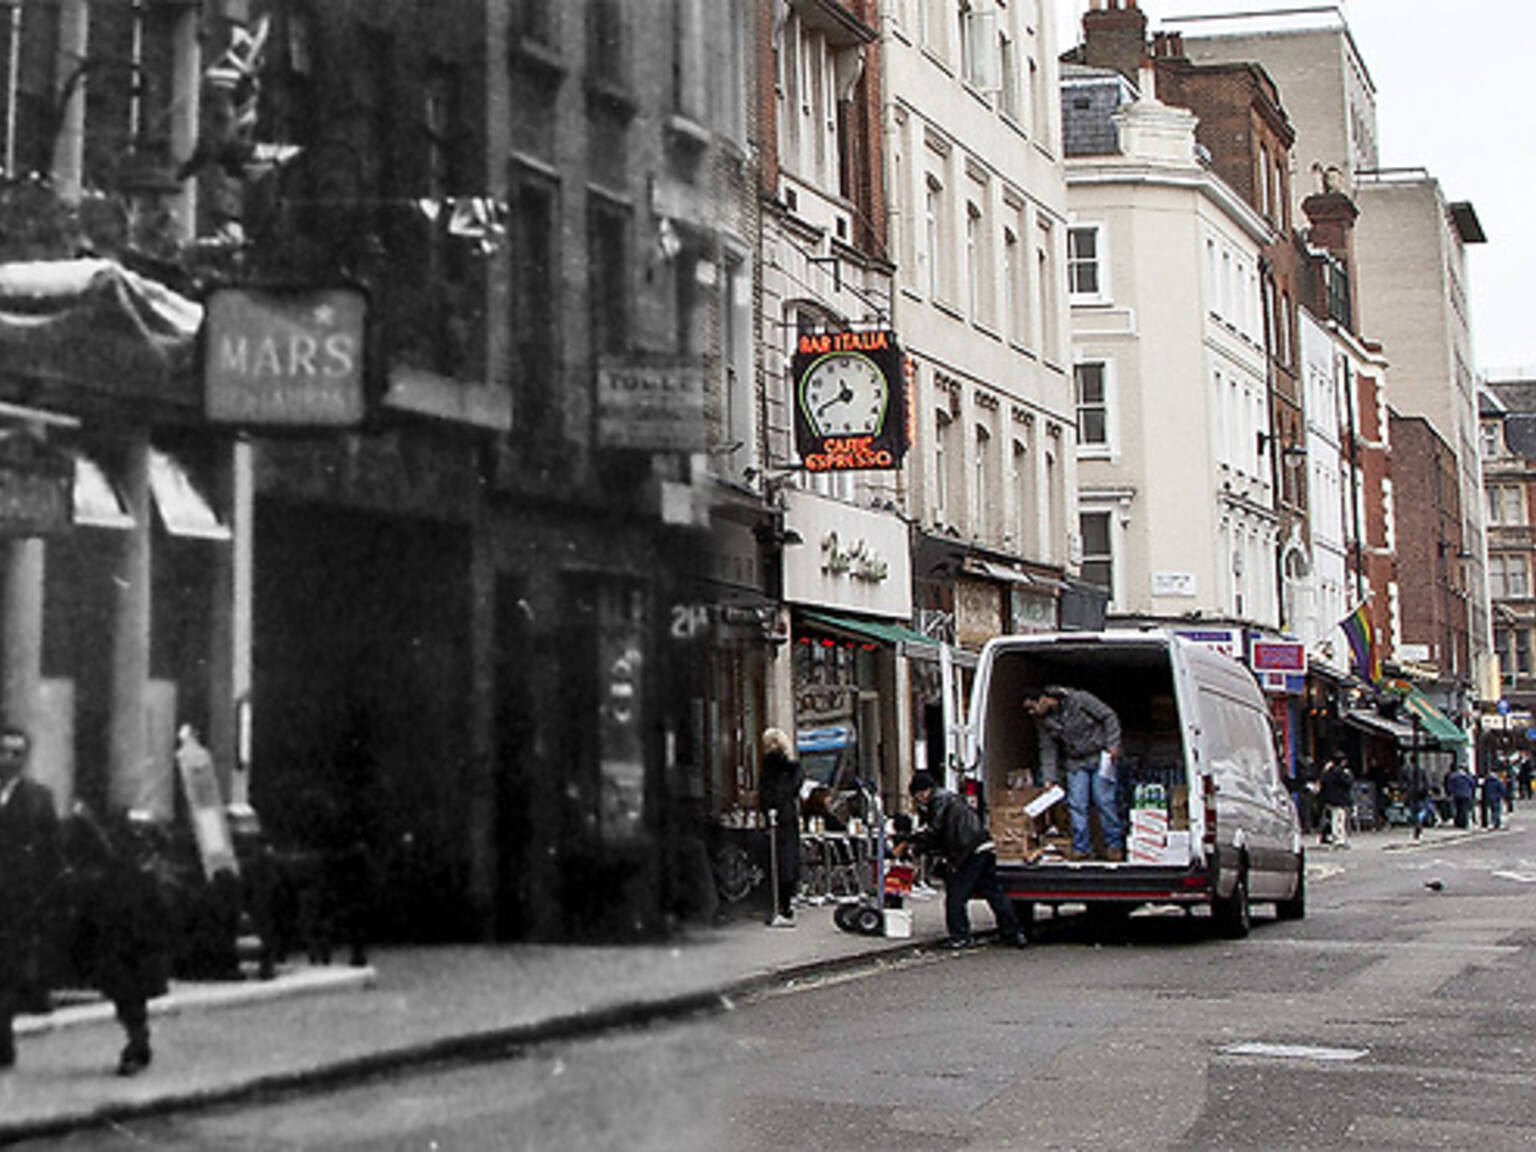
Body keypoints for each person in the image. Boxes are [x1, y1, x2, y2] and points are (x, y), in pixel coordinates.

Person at [61, 805, 170, 1076]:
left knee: (129, 997)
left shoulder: (134, 871)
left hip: (132, 941)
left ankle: (137, 1045)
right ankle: (138, 1043)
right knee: (128, 998)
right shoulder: (119, 869)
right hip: (122, 940)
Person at [902, 771, 1025, 949]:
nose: (919, 801)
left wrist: (910, 839)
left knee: (956, 898)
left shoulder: (939, 801)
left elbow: (936, 831)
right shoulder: (952, 798)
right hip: (984, 846)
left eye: (917, 796)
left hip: (968, 852)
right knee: (994, 893)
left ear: (924, 791)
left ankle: (960, 936)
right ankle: (1014, 933)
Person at [0, 726, 60, 1070]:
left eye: (16, 753)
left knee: (8, 972)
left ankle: (3, 1044)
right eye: (4, 751)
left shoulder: (39, 798)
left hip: (20, 902)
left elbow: (51, 853)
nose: (9, 760)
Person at [1023, 686, 1123, 861]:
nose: (1032, 712)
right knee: (1077, 804)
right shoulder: (1043, 721)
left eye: (1032, 707)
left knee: (1104, 801)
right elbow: (1047, 747)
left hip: (1099, 756)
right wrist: (1049, 777)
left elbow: (1108, 716)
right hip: (1075, 761)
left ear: (1043, 699)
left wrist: (1113, 744)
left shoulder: (1080, 699)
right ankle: (1080, 848)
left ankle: (1114, 845)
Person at [758, 728, 802, 927]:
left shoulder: (770, 766)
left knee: (777, 861)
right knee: (787, 862)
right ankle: (786, 904)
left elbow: (768, 793)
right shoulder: (792, 768)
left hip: (777, 818)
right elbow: (792, 788)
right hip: (788, 817)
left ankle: (778, 905)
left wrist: (768, 810)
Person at [1317, 758, 1354, 848]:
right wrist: (1348, 774)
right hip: (1340, 799)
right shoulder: (1341, 772)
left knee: (1335, 818)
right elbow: (1348, 783)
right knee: (1340, 819)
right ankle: (1339, 839)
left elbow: (1322, 782)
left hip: (1330, 799)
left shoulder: (1328, 773)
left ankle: (1336, 837)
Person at [1445, 763, 1476, 829]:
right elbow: (1473, 785)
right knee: (1464, 809)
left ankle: (1458, 822)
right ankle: (1464, 823)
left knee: (1458, 809)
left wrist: (1450, 793)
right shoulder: (1468, 777)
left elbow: (1449, 786)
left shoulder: (1453, 776)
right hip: (1466, 795)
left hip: (1456, 795)